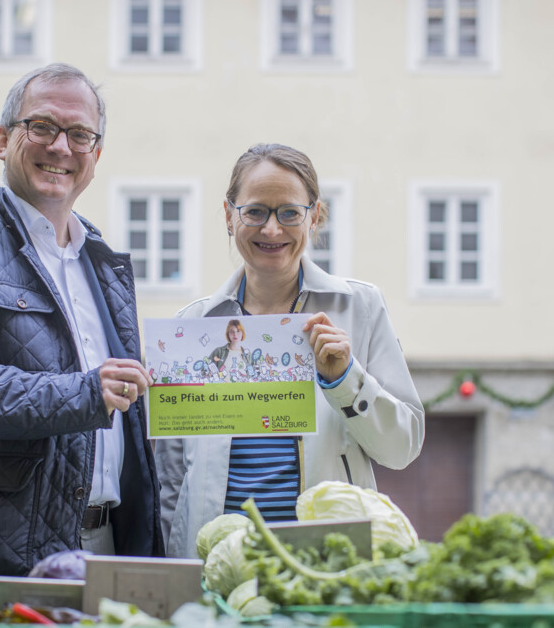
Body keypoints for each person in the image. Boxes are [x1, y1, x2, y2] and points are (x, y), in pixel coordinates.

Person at [0, 63, 163, 583]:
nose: (61, 147)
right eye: (41, 127)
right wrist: (85, 394)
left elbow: (123, 404)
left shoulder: (104, 263)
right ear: (3, 140)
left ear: (96, 154)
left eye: (80, 134)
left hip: (112, 543)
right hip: (10, 558)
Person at [155, 143, 425, 558]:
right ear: (230, 216)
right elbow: (171, 480)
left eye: (289, 213)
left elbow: (401, 448)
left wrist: (345, 380)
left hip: (325, 561)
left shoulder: (361, 308)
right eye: (256, 211)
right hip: (219, 563)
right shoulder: (192, 328)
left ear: (314, 217)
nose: (272, 230)